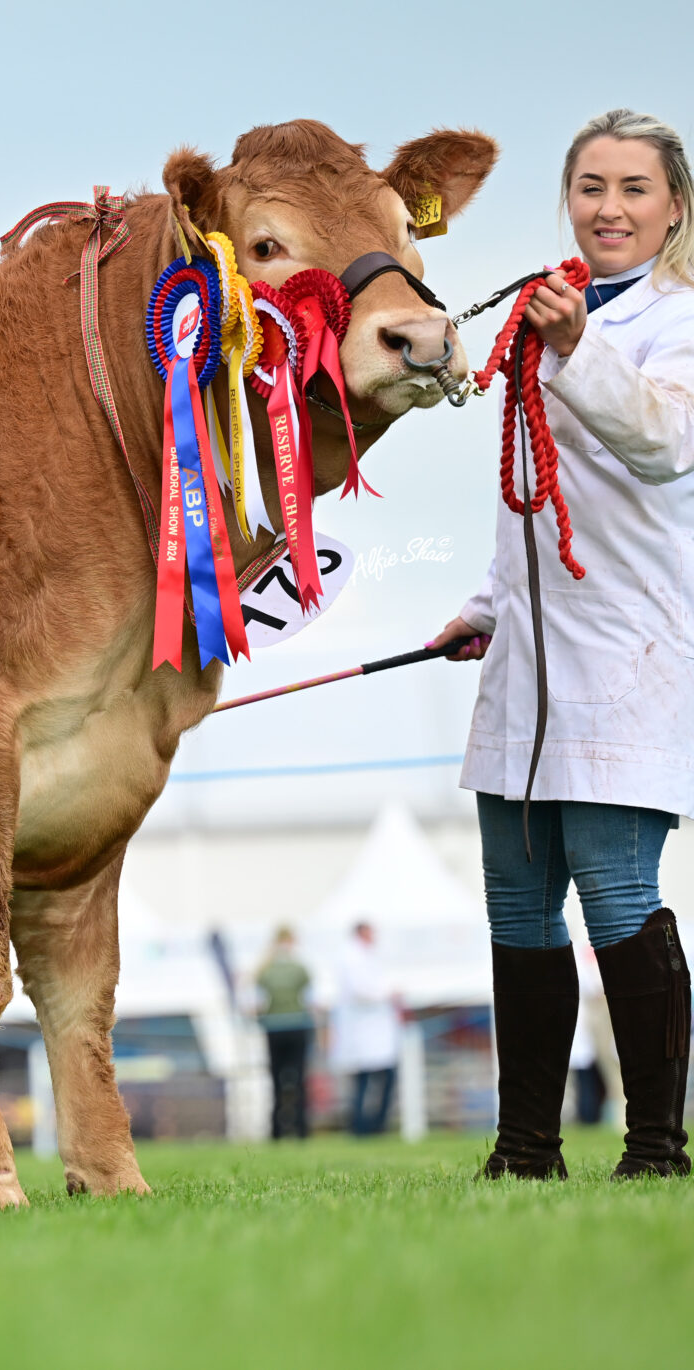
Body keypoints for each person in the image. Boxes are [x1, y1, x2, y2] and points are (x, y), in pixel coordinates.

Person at [430, 108, 694, 1181]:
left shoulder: (674, 324)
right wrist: (487, 606)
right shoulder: (560, 310)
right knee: (515, 896)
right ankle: (526, 1146)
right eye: (592, 186)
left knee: (619, 897)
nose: (610, 208)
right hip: (528, 664)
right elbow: (536, 492)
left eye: (634, 188)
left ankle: (656, 1147)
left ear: (675, 207)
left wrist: (579, 347)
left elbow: (663, 441)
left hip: (627, 653)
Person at [331, 922, 402, 1137]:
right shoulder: (352, 957)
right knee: (368, 1080)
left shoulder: (364, 956)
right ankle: (364, 1126)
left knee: (375, 1079)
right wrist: (387, 993)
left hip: (372, 1031)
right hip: (364, 1030)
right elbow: (361, 990)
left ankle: (370, 1125)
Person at [255, 927, 315, 1140]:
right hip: (295, 1026)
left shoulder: (264, 969)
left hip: (275, 1029)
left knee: (277, 1081)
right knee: (297, 1080)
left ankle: (278, 1132)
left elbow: (256, 1002)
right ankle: (299, 1130)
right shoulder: (299, 968)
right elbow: (311, 999)